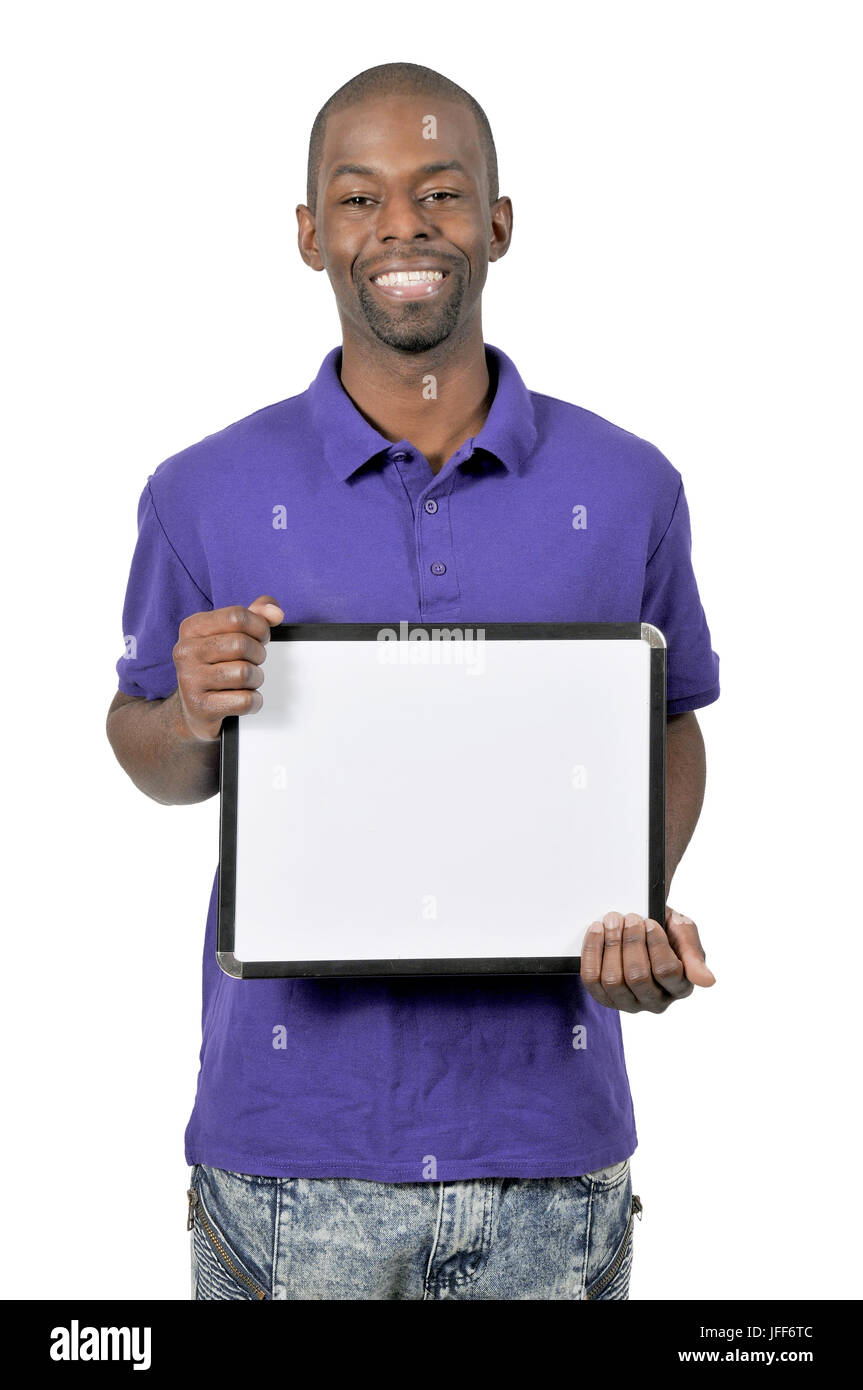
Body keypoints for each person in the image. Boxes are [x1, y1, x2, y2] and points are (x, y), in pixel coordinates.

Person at [106, 62, 719, 1301]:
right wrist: (185, 711)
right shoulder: (199, 490)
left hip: (549, 1151)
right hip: (288, 1158)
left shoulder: (631, 483)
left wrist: (633, 898)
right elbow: (150, 754)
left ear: (496, 224)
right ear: (308, 234)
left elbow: (668, 719)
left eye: (440, 193)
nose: (401, 228)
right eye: (358, 197)